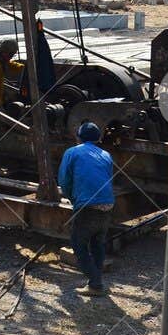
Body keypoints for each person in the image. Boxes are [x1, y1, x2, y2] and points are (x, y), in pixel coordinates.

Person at [58, 121, 116, 296]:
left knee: (78, 244)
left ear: (78, 137)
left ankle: (96, 282)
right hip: (108, 204)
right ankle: (94, 284)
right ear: (98, 138)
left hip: (87, 205)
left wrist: (73, 199)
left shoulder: (72, 152)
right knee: (97, 243)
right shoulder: (106, 155)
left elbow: (64, 180)